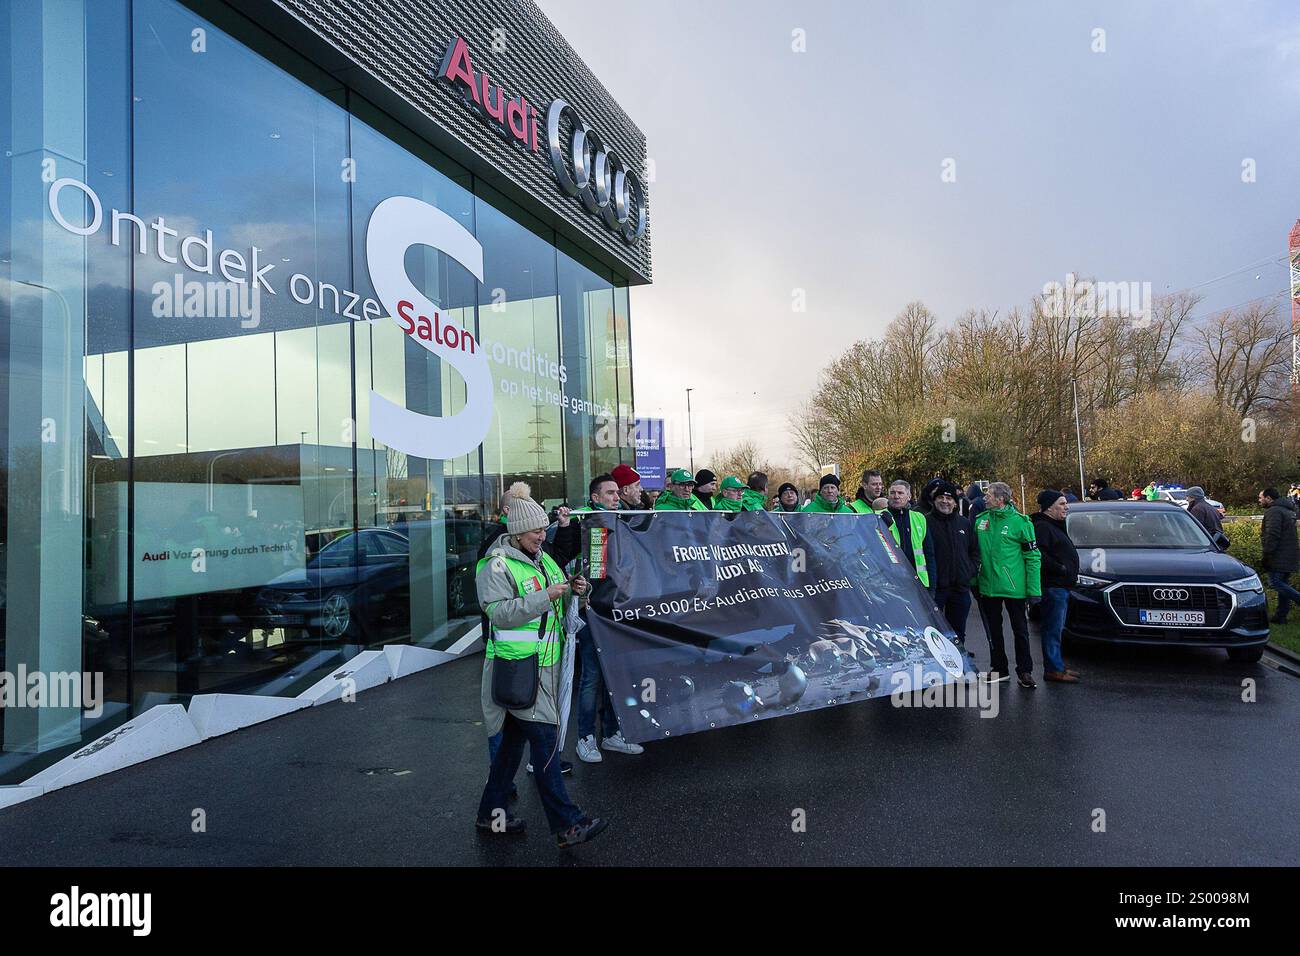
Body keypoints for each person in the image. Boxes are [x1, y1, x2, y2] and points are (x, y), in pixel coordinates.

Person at [474, 497, 606, 847]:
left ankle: (490, 814)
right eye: (534, 530)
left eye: (542, 528)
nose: (541, 535)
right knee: (547, 750)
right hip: (517, 670)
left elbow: (558, 600)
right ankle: (568, 824)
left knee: (509, 752)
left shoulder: (543, 557)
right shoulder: (496, 565)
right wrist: (546, 596)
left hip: (543, 670)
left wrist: (577, 592)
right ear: (516, 532)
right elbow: (498, 613)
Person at [570, 475, 645, 763]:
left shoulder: (624, 523)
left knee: (618, 676)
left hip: (621, 614)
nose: (616, 497)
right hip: (597, 615)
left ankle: (613, 733)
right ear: (596, 498)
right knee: (592, 678)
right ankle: (585, 737)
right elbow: (597, 574)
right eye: (610, 493)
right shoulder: (596, 528)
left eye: (617, 493)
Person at [973, 481, 1041, 688]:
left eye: (989, 495)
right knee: (994, 631)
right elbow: (973, 553)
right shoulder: (980, 521)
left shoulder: (1021, 522)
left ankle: (1025, 671)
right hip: (987, 587)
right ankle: (999, 669)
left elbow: (1033, 557)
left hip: (1014, 588)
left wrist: (1034, 590)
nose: (984, 498)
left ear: (1000, 499)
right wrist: (973, 580)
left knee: (1020, 630)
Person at [1029, 489, 1081, 683]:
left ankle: (1057, 665)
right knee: (1052, 629)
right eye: (1061, 504)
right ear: (1049, 507)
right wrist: (1061, 569)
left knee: (1057, 629)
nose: (1065, 507)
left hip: (1061, 586)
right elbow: (1040, 555)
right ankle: (1053, 669)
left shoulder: (1054, 525)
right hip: (1053, 587)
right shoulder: (1042, 527)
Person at [926, 480, 979, 646]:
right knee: (935, 634)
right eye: (940, 497)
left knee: (958, 634)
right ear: (934, 501)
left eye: (949, 499)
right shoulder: (925, 522)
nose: (945, 501)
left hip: (960, 589)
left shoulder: (964, 523)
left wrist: (969, 571)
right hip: (936, 590)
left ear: (955, 503)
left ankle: (960, 669)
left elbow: (975, 551)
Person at [880, 480, 935, 592]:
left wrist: (932, 586)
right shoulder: (878, 517)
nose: (896, 496)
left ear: (909, 496)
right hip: (891, 583)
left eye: (900, 493)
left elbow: (929, 554)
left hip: (919, 582)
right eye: (892, 493)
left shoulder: (919, 518)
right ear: (888, 496)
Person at [1259, 487, 1300, 625]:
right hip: (1290, 553)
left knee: (1275, 582)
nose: (1259, 500)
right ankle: (1280, 616)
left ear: (1269, 498)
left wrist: (1267, 554)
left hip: (1279, 554)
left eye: (1261, 498)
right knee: (1283, 584)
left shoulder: (1274, 511)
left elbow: (1272, 535)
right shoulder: (1288, 510)